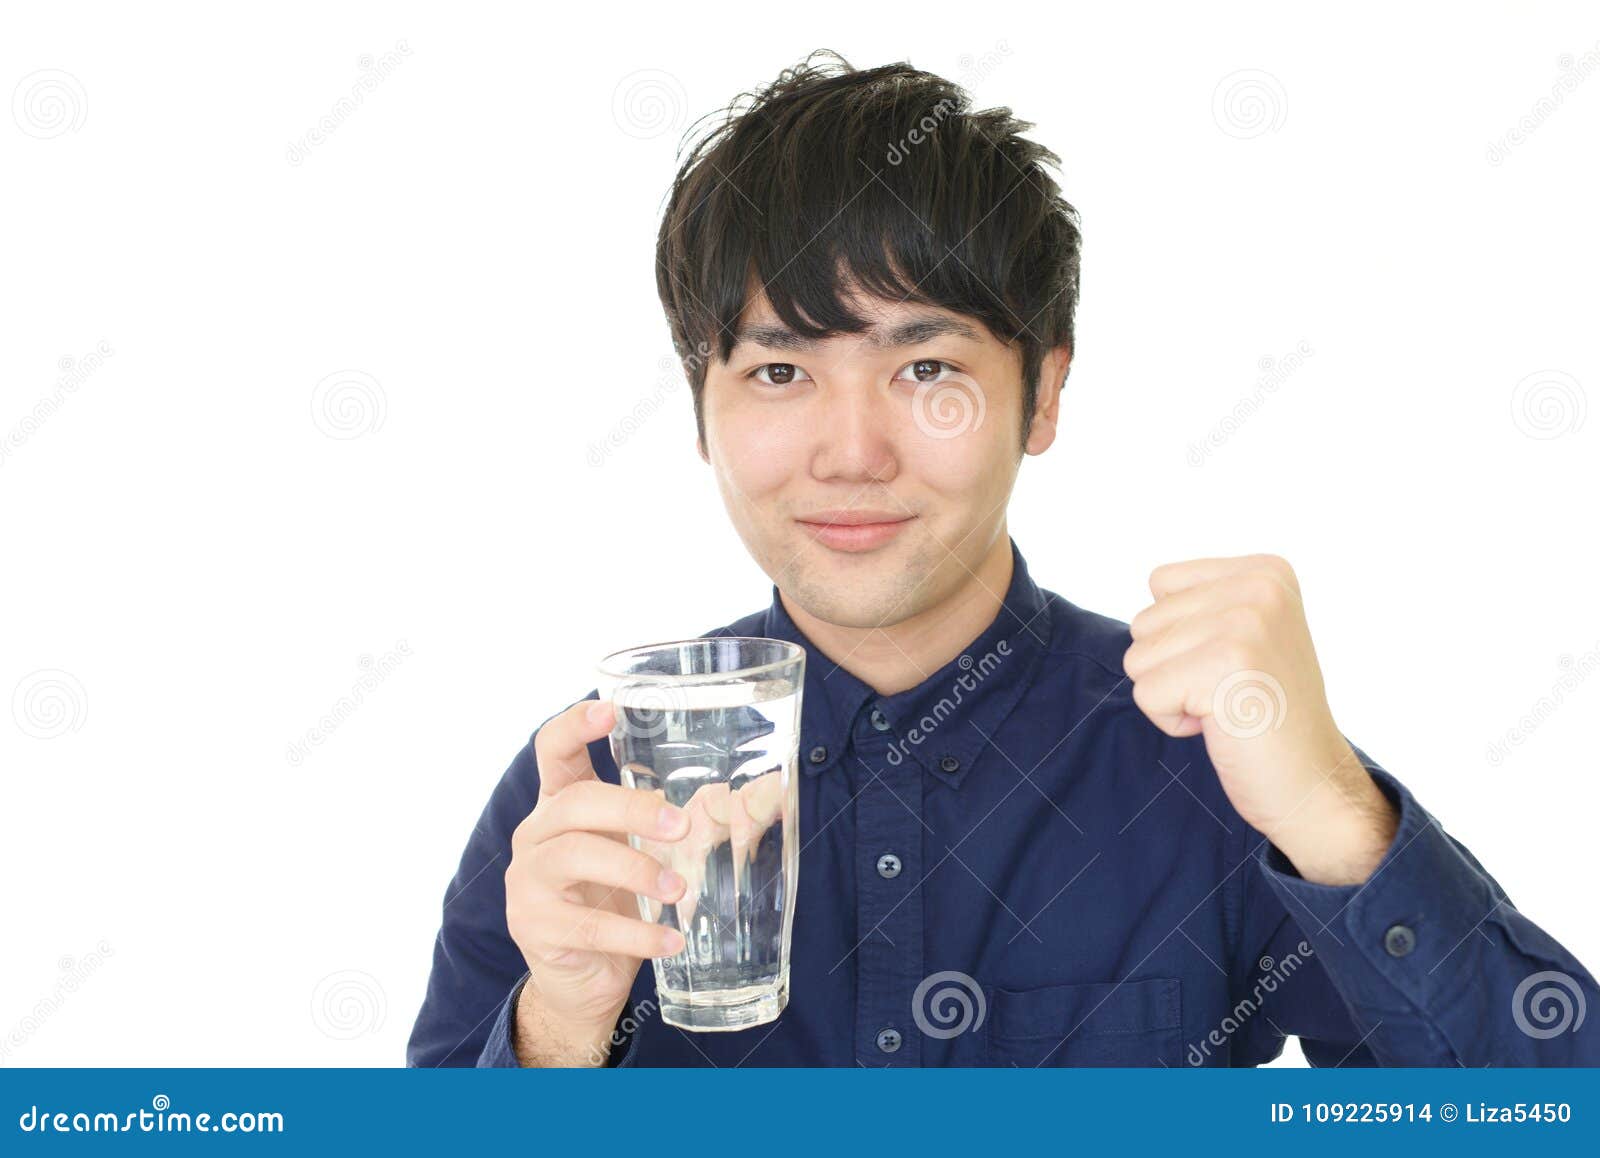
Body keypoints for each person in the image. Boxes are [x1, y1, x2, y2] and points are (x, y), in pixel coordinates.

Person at [408, 50, 1598, 1067]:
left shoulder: (1209, 763)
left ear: (1043, 394)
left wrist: (1336, 814)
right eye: (779, 371)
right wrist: (557, 1031)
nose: (852, 452)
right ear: (700, 407)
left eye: (925, 369)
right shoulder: (594, 793)